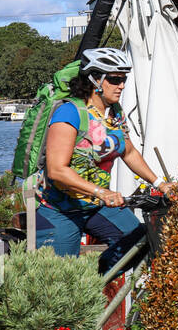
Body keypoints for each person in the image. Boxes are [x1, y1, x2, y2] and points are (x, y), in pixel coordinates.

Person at [36, 47, 166, 275]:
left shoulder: (115, 113)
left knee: (139, 239)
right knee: (59, 282)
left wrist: (159, 183)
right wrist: (102, 192)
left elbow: (129, 152)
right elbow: (57, 170)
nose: (122, 85)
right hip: (60, 209)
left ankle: (92, 281)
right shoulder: (70, 112)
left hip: (95, 205)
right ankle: (80, 287)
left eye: (124, 79)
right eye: (115, 79)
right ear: (95, 79)